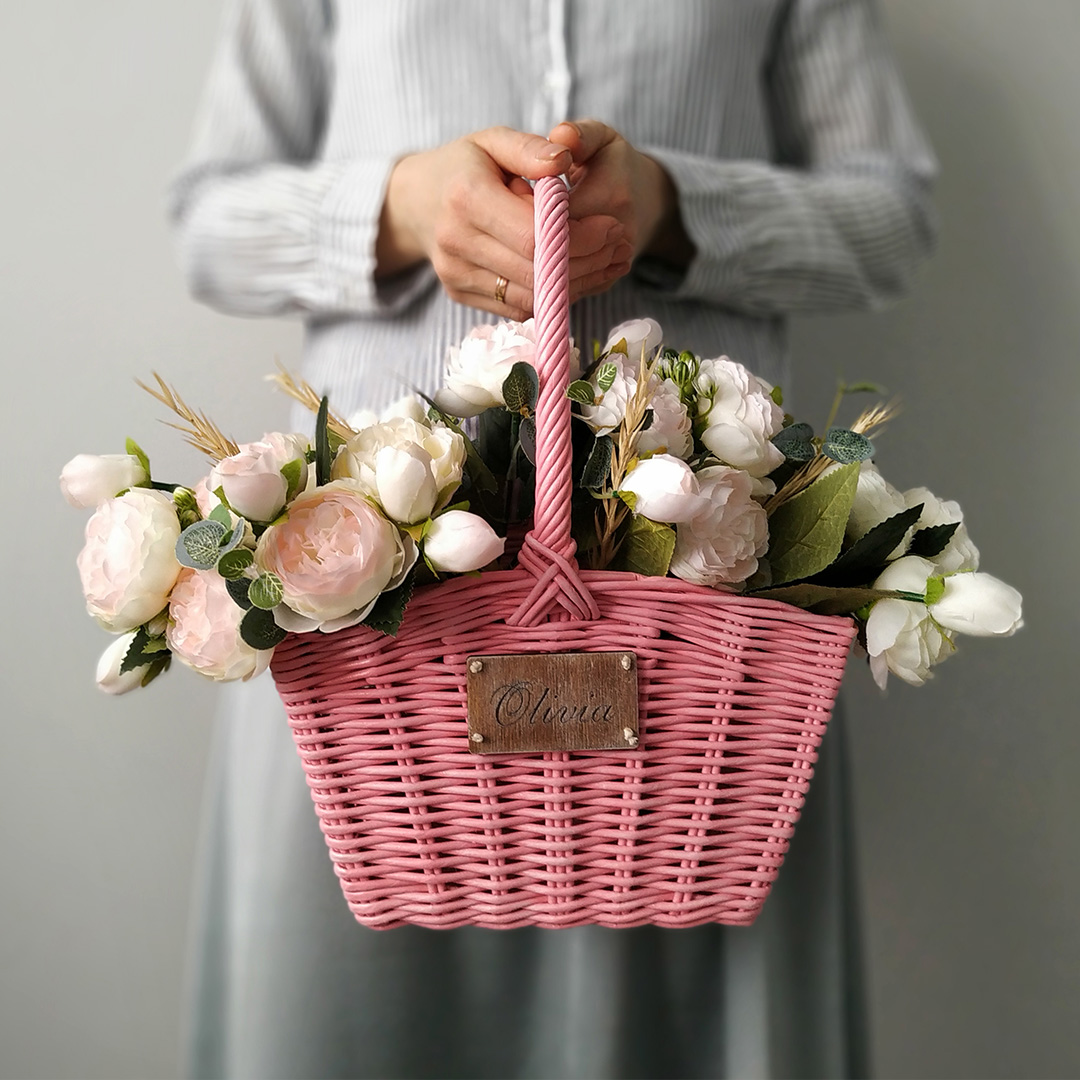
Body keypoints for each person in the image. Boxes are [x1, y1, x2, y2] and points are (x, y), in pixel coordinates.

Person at [171, 2, 936, 1077]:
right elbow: (208, 222)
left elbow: (892, 219)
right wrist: (397, 208)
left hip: (710, 668)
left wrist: (672, 209)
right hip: (358, 643)